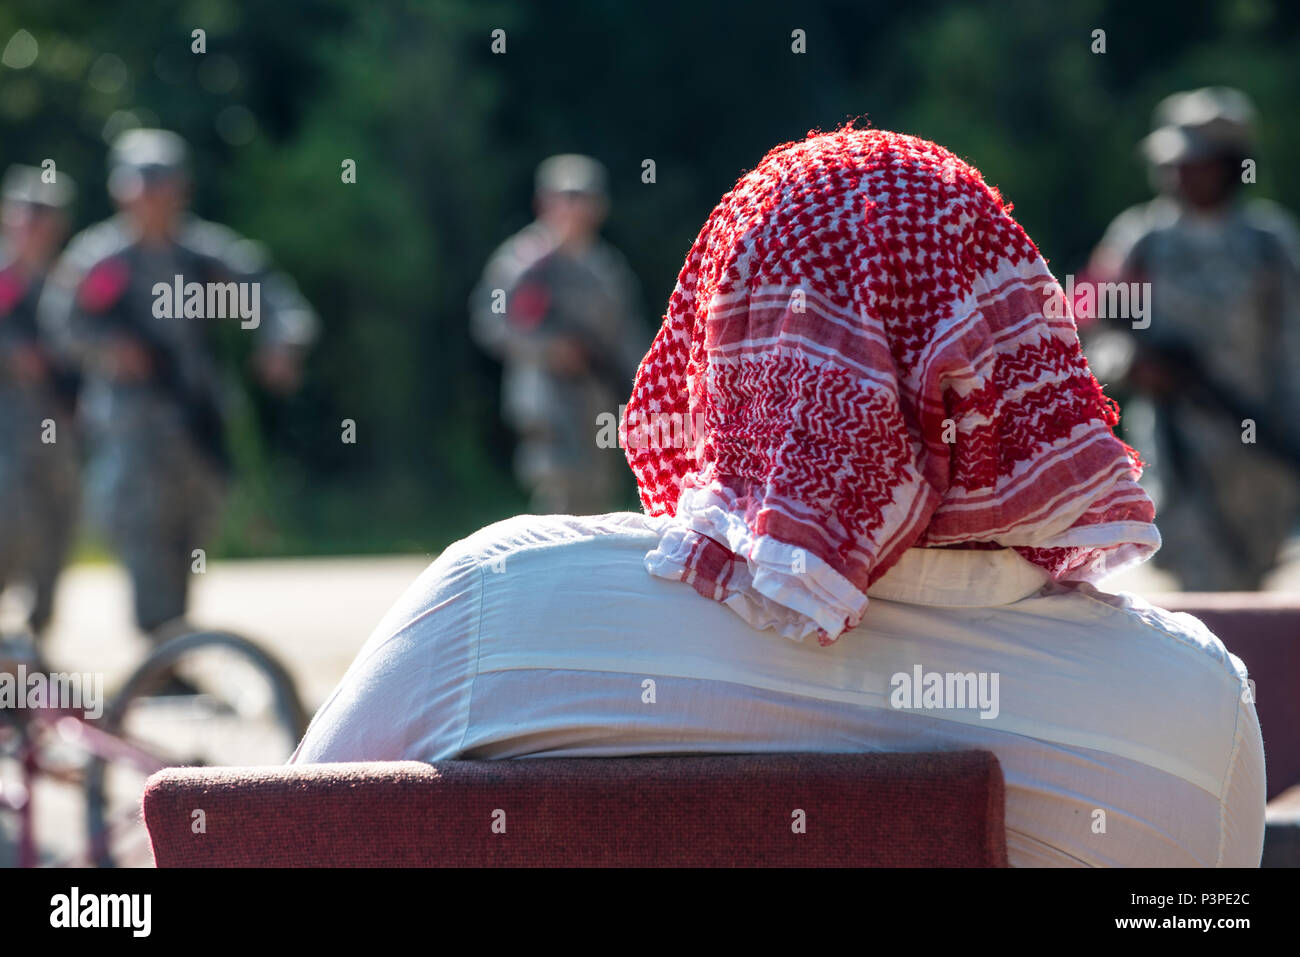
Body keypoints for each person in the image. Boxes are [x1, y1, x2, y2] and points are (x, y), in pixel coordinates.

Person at [292, 128, 1264, 867]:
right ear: (1009, 351)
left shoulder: (491, 610)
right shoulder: (1190, 707)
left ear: (726, 360)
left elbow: (273, 841)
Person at [38, 129, 318, 639]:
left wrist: (281, 345)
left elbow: (274, 300)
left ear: (180, 189)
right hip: (131, 428)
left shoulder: (205, 256)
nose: (150, 197)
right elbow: (58, 325)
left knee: (191, 535)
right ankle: (161, 649)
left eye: (160, 185)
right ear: (121, 191)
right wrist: (110, 349)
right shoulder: (100, 260)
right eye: (141, 186)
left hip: (196, 426)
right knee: (141, 533)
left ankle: (174, 642)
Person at [1086, 87, 1300, 590]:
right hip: (1178, 450)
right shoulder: (1142, 240)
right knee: (1201, 586)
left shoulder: (1269, 245)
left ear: (1231, 166)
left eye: (1198, 163)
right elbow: (1091, 330)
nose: (1181, 174)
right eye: (1175, 162)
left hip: (1261, 453)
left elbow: (1291, 345)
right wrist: (1132, 364)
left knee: (1251, 584)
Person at [470, 154, 647, 514]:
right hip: (546, 401)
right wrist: (550, 349)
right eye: (566, 197)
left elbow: (628, 337)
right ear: (543, 202)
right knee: (558, 499)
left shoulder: (606, 269)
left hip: (597, 403)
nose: (575, 207)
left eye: (584, 198)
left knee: (599, 503)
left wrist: (644, 389)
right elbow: (490, 322)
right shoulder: (522, 263)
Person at [0, 166, 80, 647]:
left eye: (44, 217)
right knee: (10, 520)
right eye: (26, 216)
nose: (34, 226)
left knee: (57, 528)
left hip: (57, 431)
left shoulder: (68, 283)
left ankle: (35, 639)